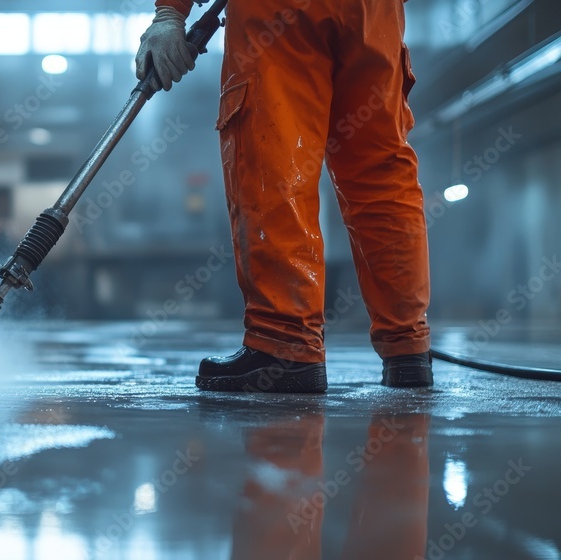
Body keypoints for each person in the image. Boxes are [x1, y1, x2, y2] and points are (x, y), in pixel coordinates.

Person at [135, 0, 433, 392]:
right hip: (374, 12)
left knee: (275, 164)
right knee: (379, 172)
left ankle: (286, 344)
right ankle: (407, 350)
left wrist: (171, 12)